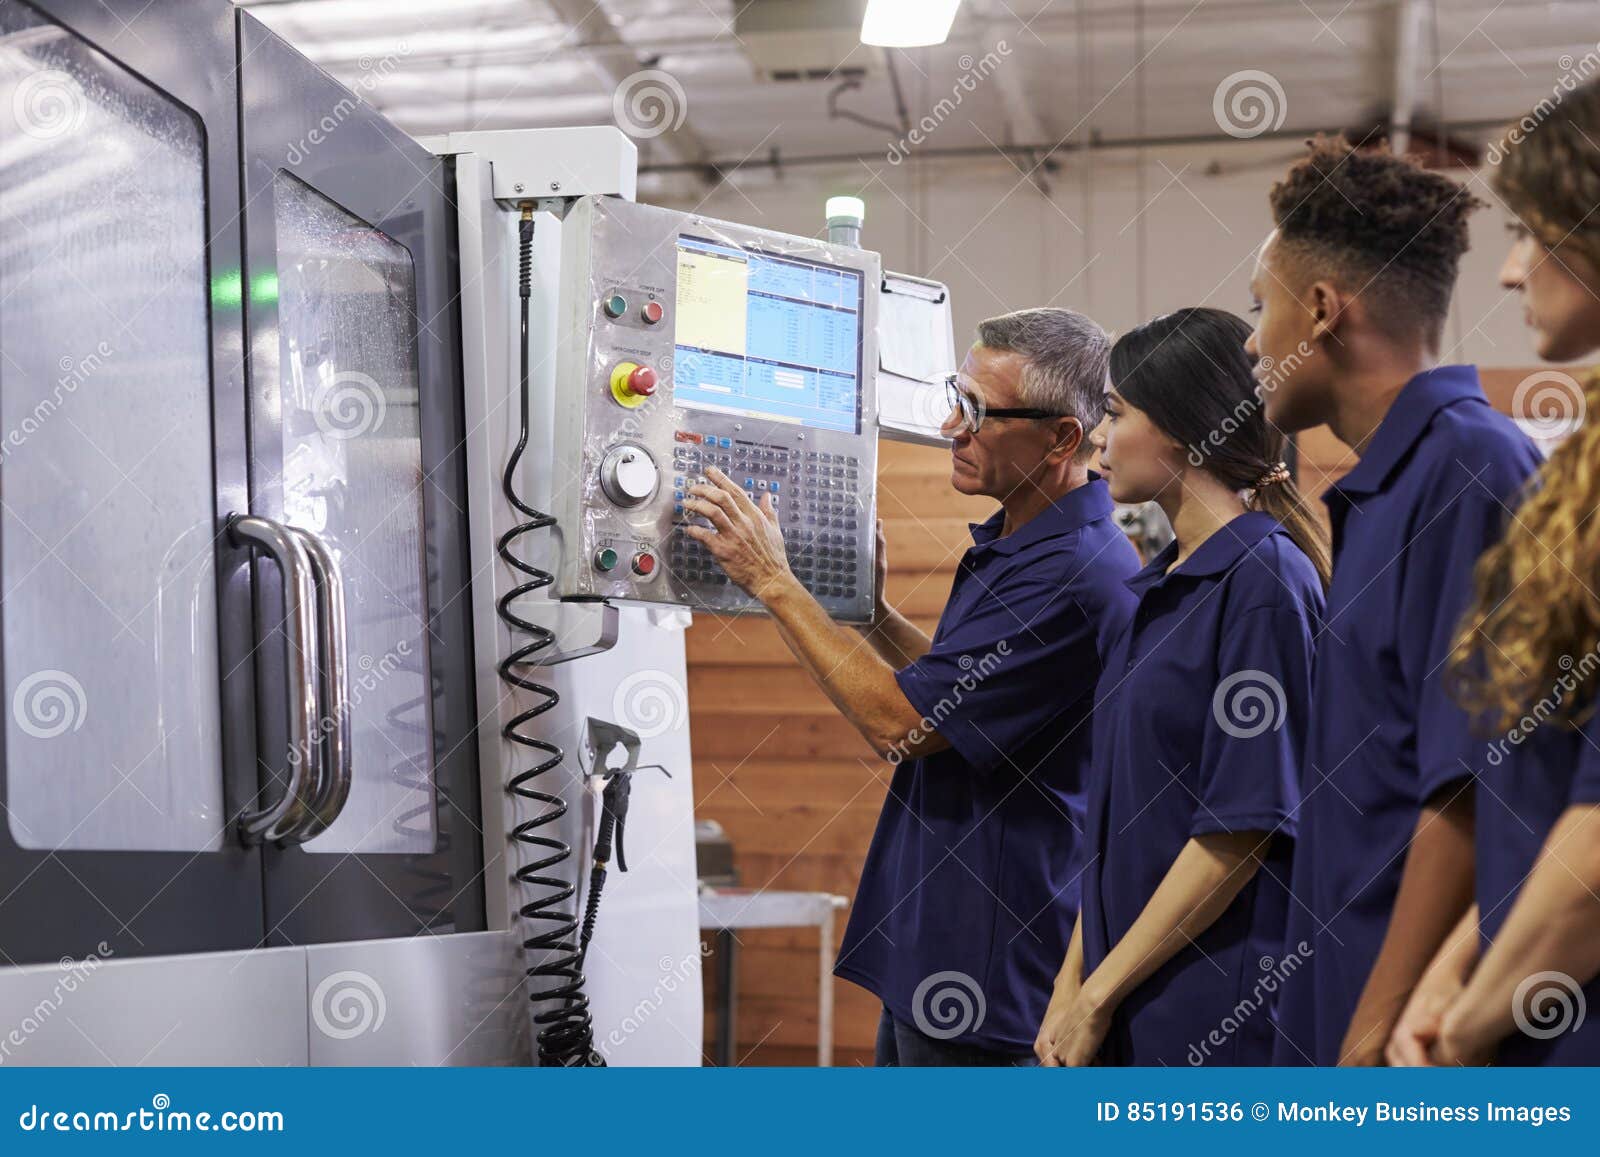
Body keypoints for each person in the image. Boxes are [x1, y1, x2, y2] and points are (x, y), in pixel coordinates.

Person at [682, 308, 1140, 1065]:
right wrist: (875, 618)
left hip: (986, 970)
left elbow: (904, 723)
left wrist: (772, 579)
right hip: (940, 944)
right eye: (953, 397)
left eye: (980, 412)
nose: (952, 426)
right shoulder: (1031, 547)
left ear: (1063, 438)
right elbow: (967, 698)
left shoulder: (1073, 572)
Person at [1248, 136, 1544, 1066]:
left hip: (1402, 1036)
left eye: (1262, 310)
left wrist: (1369, 1037)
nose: (1252, 342)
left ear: (1324, 310)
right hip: (1336, 986)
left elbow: (1467, 789)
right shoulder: (1383, 488)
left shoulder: (1472, 466)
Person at [1033, 308, 1327, 1067]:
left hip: (1211, 1020)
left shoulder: (1263, 581)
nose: (1098, 434)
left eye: (1118, 412)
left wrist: (1098, 993)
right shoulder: (1158, 587)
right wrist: (1072, 982)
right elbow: (1118, 825)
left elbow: (1240, 832)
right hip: (1124, 1001)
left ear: (1185, 428)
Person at [1388, 78, 1600, 1066]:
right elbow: (1545, 800)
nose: (1510, 273)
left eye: (1532, 230)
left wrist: (1466, 1025)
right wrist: (1456, 966)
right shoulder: (1577, 477)